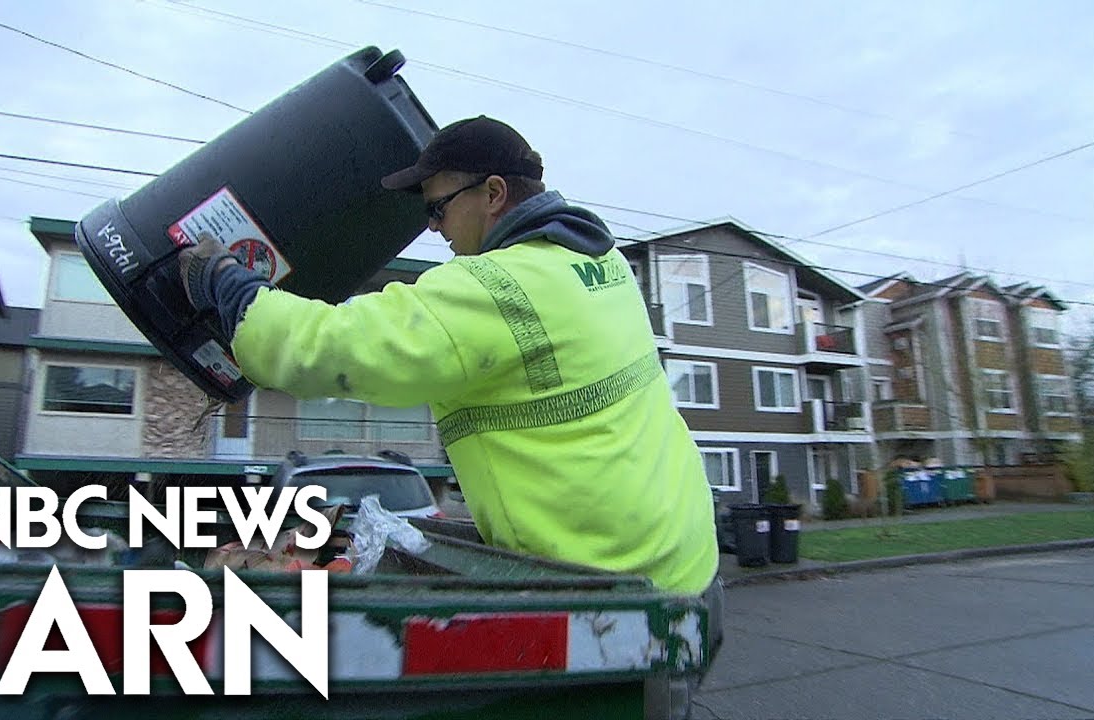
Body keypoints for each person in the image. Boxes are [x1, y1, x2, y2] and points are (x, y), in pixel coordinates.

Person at [178, 115, 719, 597]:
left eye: (438, 208)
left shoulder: (498, 287)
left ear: (494, 193)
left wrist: (229, 284)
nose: (433, 226)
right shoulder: (603, 265)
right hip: (679, 558)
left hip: (609, 583)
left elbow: (336, 346)